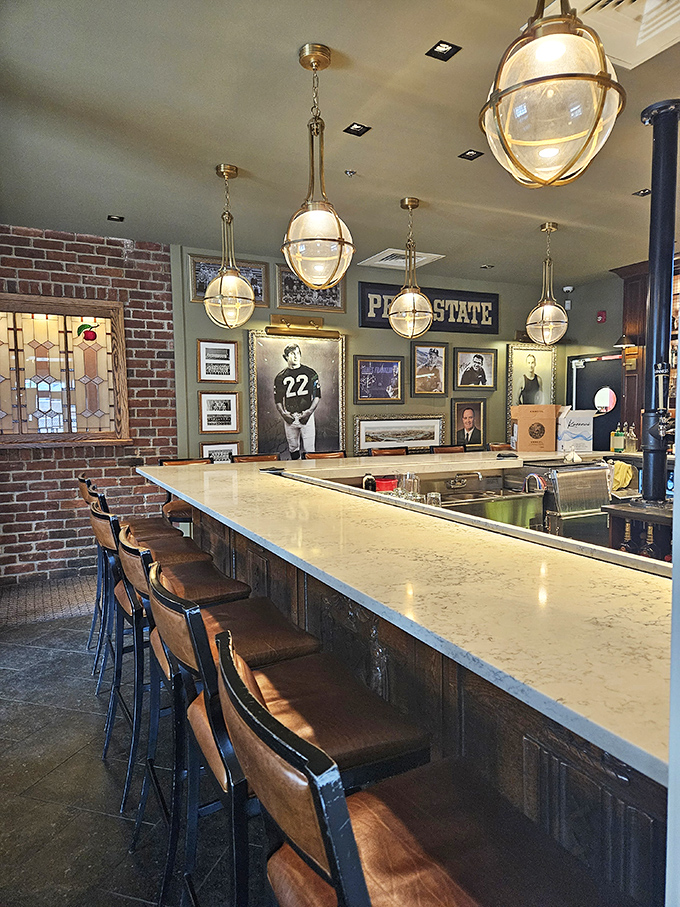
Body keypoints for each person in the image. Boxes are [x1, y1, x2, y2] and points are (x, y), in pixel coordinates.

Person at [273, 343, 321, 459]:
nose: (296, 356)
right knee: (293, 447)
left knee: (310, 449)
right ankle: (296, 470)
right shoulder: (280, 377)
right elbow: (278, 399)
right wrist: (283, 414)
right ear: (285, 357)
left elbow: (317, 396)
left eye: (298, 353)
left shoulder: (310, 373)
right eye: (292, 354)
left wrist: (309, 412)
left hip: (306, 414)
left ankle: (309, 472)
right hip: (290, 416)